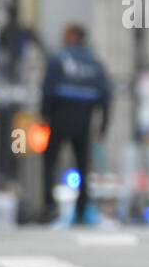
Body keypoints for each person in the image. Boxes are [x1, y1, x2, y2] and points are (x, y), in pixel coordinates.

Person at [40, 23, 110, 226]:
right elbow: (106, 96)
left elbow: (47, 89)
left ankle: (49, 205)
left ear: (70, 37)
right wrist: (104, 124)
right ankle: (81, 208)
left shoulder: (58, 60)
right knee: (82, 165)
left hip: (59, 118)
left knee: (50, 162)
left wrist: (44, 115)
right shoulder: (95, 64)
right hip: (84, 120)